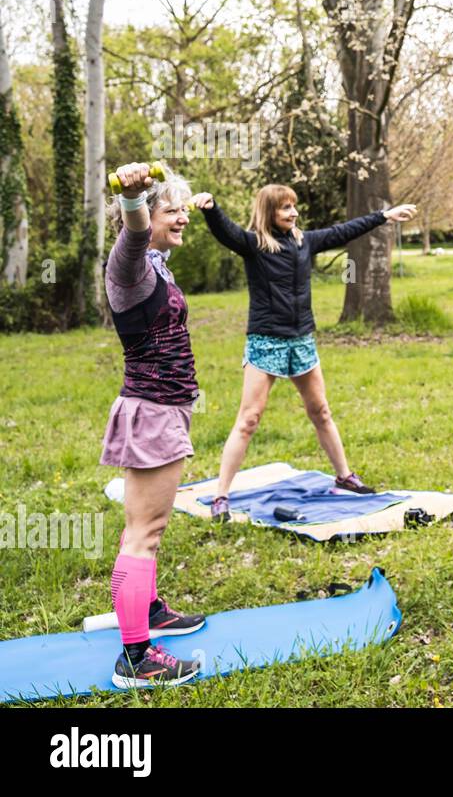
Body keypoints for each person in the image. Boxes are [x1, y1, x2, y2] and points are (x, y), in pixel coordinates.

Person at [191, 186, 416, 519]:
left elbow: (344, 231)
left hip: (301, 339)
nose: (293, 213)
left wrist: (384, 216)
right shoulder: (253, 245)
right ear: (269, 212)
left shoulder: (303, 241)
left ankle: (344, 476)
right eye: (285, 208)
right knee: (249, 419)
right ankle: (221, 496)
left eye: (294, 207)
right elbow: (227, 232)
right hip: (266, 339)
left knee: (321, 411)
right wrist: (211, 208)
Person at [102, 162, 208, 688]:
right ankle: (137, 659)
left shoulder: (157, 264)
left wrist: (191, 202)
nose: (182, 217)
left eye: (184, 208)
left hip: (164, 409)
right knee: (145, 533)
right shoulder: (130, 263)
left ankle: (150, 609)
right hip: (151, 412)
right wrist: (135, 196)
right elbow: (136, 231)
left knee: (144, 529)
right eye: (174, 209)